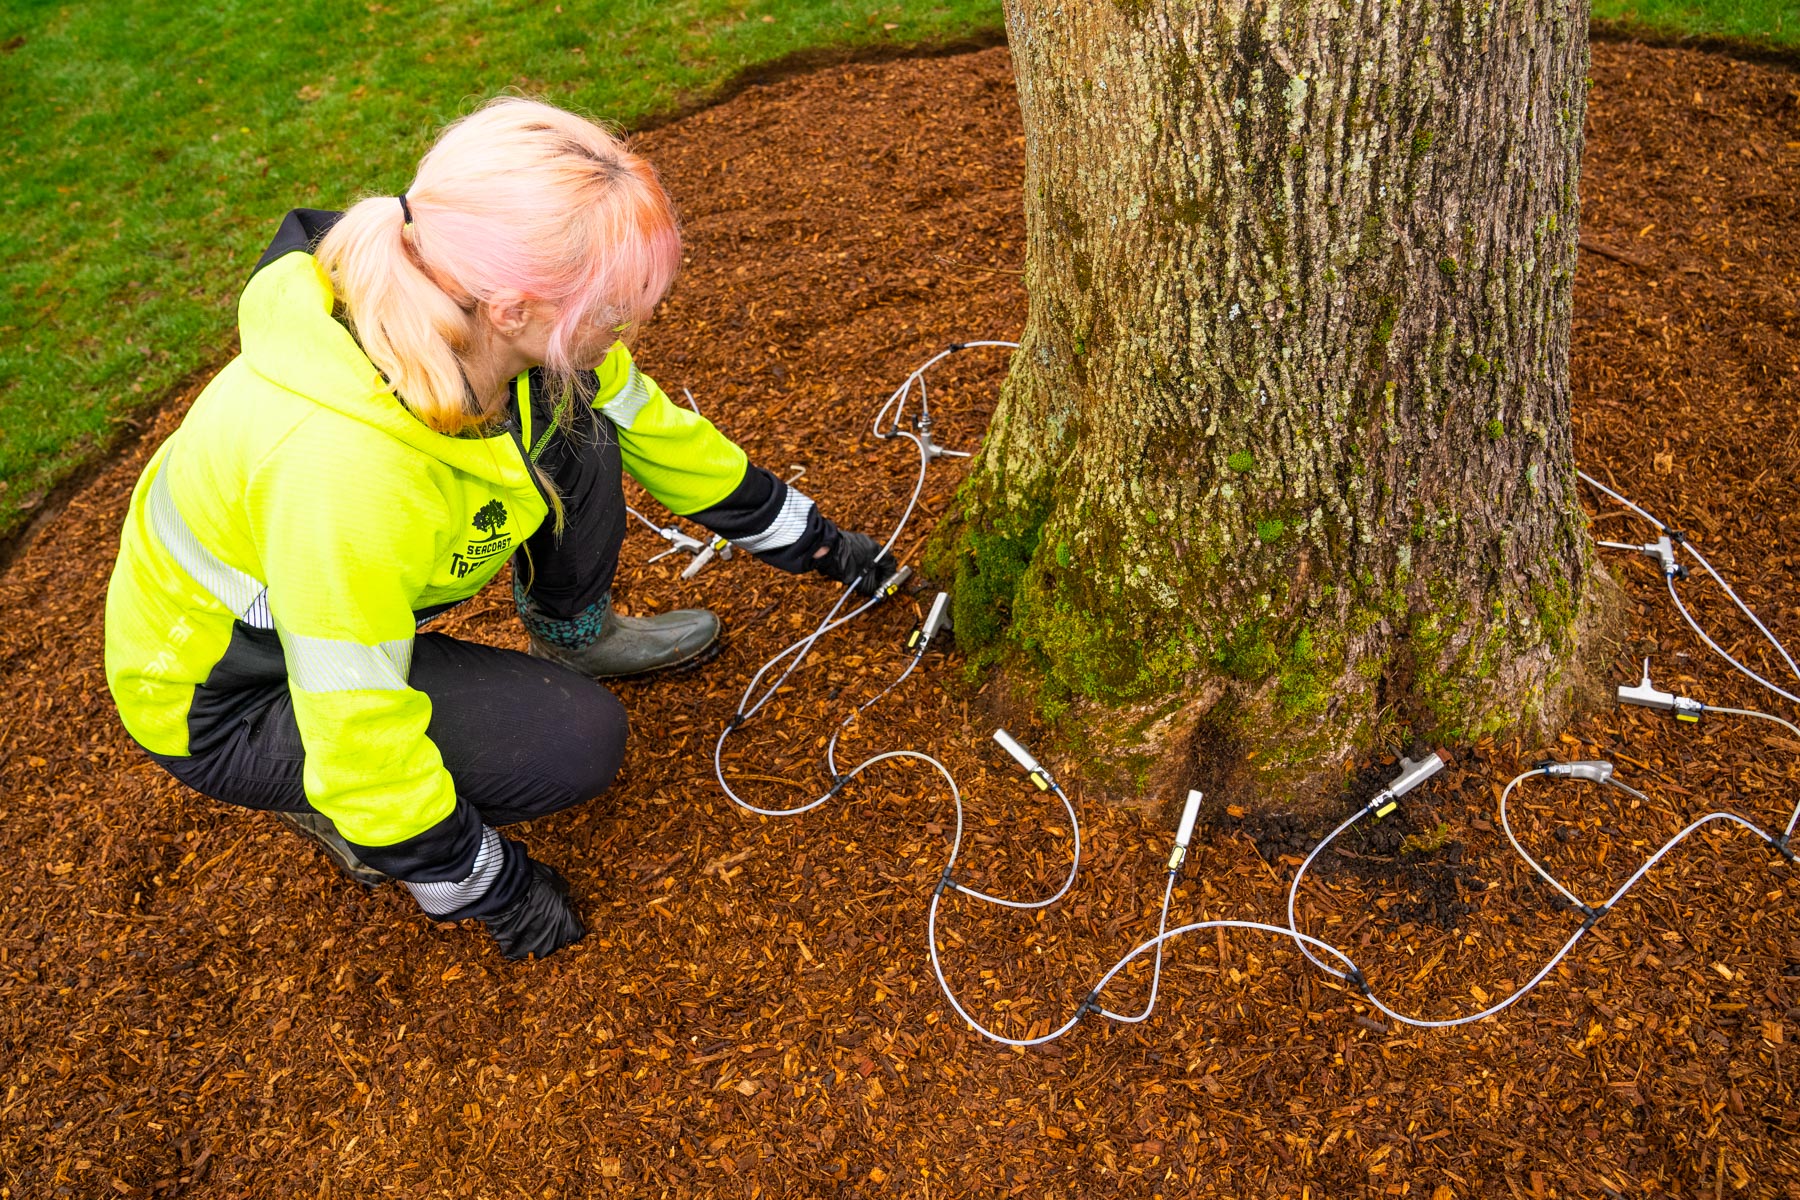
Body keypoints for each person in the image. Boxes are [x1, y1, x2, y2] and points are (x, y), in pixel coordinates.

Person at [103, 98, 896, 961]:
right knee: (573, 742)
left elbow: (660, 433)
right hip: (236, 695)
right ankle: (339, 817)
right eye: (616, 312)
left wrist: (819, 544)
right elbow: (356, 715)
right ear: (515, 309)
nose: (627, 331)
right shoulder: (342, 472)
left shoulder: (475, 307)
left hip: (339, 606)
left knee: (580, 418)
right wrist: (486, 884)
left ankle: (575, 632)